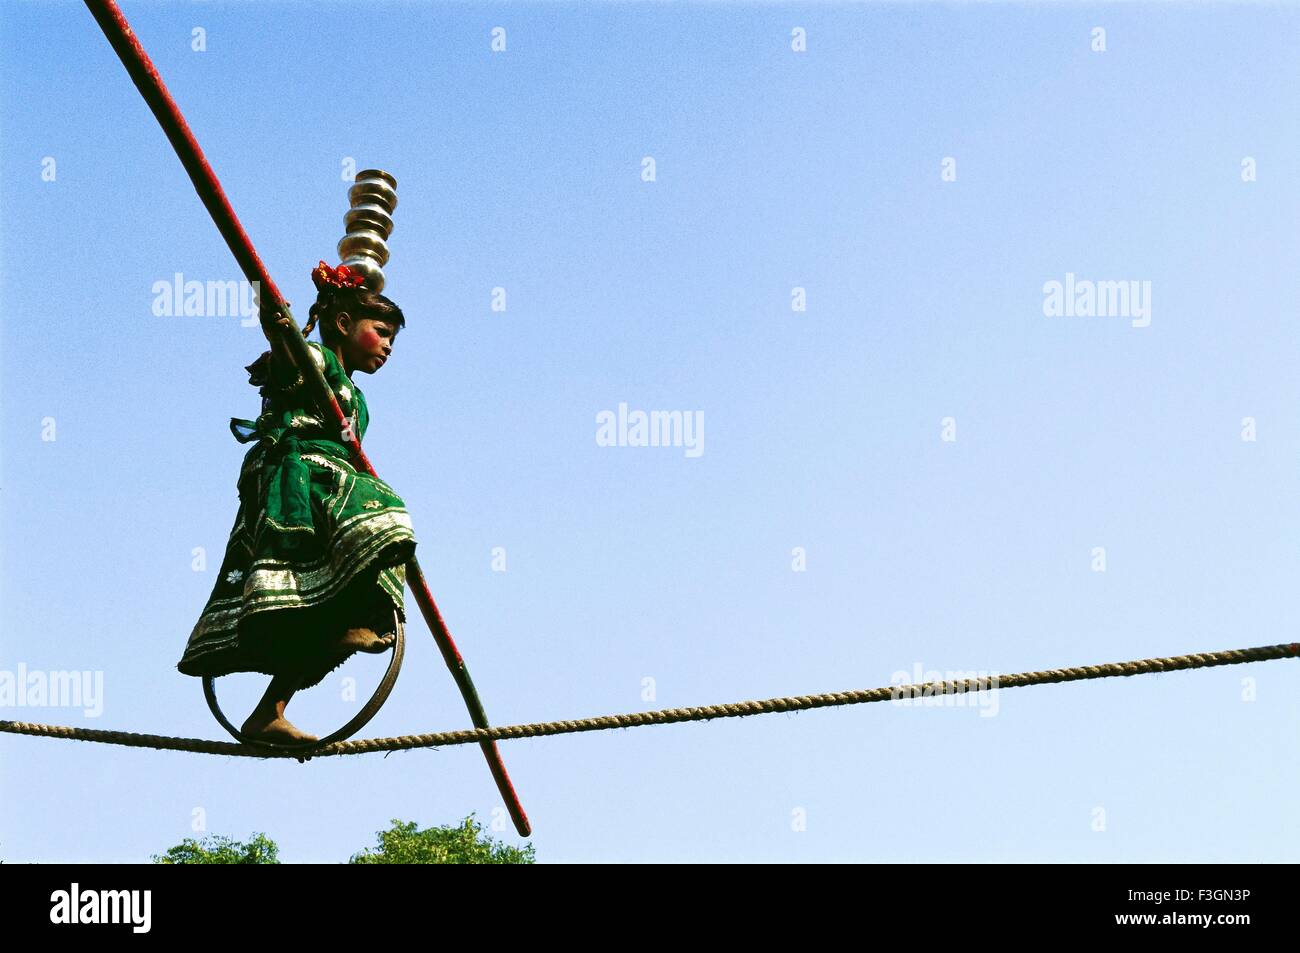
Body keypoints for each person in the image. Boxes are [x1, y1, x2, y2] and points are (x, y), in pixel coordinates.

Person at [177, 260, 417, 744]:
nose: (389, 345)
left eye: (394, 337)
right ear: (345, 325)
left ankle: (271, 710)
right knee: (385, 514)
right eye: (382, 331)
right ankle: (351, 615)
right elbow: (289, 368)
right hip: (301, 477)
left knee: (333, 627)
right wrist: (280, 334)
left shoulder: (357, 395)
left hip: (325, 480)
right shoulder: (318, 360)